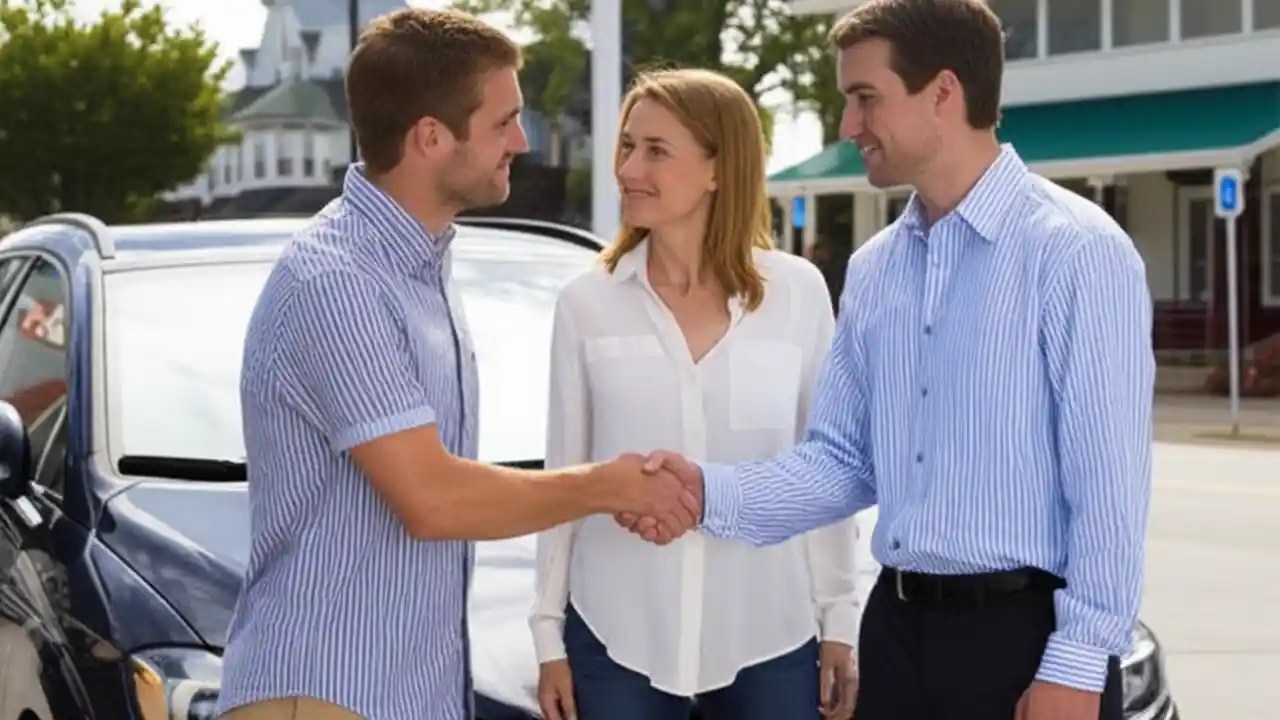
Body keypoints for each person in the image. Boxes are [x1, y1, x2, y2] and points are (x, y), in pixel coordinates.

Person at [626, 2, 1156, 720]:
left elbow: (1110, 490)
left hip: (1024, 645)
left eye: (864, 99)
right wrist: (703, 494)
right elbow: (842, 461)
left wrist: (1078, 662)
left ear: (943, 93)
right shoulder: (876, 268)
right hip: (898, 634)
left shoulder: (1077, 253)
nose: (849, 127)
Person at [215, 9, 699, 720]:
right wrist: (609, 485)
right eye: (503, 122)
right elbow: (433, 498)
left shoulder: (420, 267)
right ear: (430, 137)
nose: (522, 142)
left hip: (403, 692)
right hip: (324, 692)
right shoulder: (337, 283)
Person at [528, 68, 861, 720]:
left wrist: (840, 619)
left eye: (656, 150)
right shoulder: (585, 304)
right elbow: (562, 478)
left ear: (718, 168)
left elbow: (824, 472)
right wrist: (547, 635)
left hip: (771, 634)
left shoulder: (798, 296)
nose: (629, 167)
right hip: (615, 636)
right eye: (627, 146)